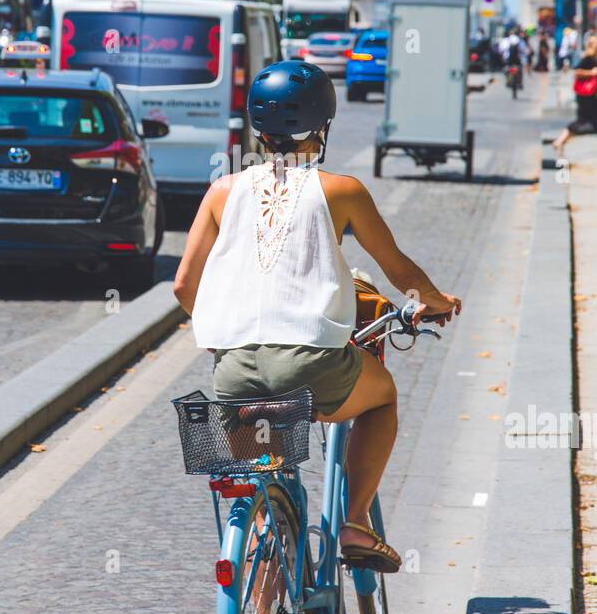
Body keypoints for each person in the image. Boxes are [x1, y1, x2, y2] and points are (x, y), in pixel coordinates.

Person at [173, 61, 461, 579]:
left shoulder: (221, 192)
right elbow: (398, 272)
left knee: (262, 495)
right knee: (383, 397)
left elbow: (183, 286)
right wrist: (435, 300)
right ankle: (354, 523)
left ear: (258, 130)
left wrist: (223, 334)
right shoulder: (341, 191)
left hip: (234, 370)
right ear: (322, 126)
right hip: (312, 365)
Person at [552, 33, 597, 156]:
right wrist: (591, 73)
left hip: (589, 96)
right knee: (584, 120)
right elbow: (577, 72)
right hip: (586, 96)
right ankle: (559, 141)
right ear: (591, 45)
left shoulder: (592, 58)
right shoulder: (587, 58)